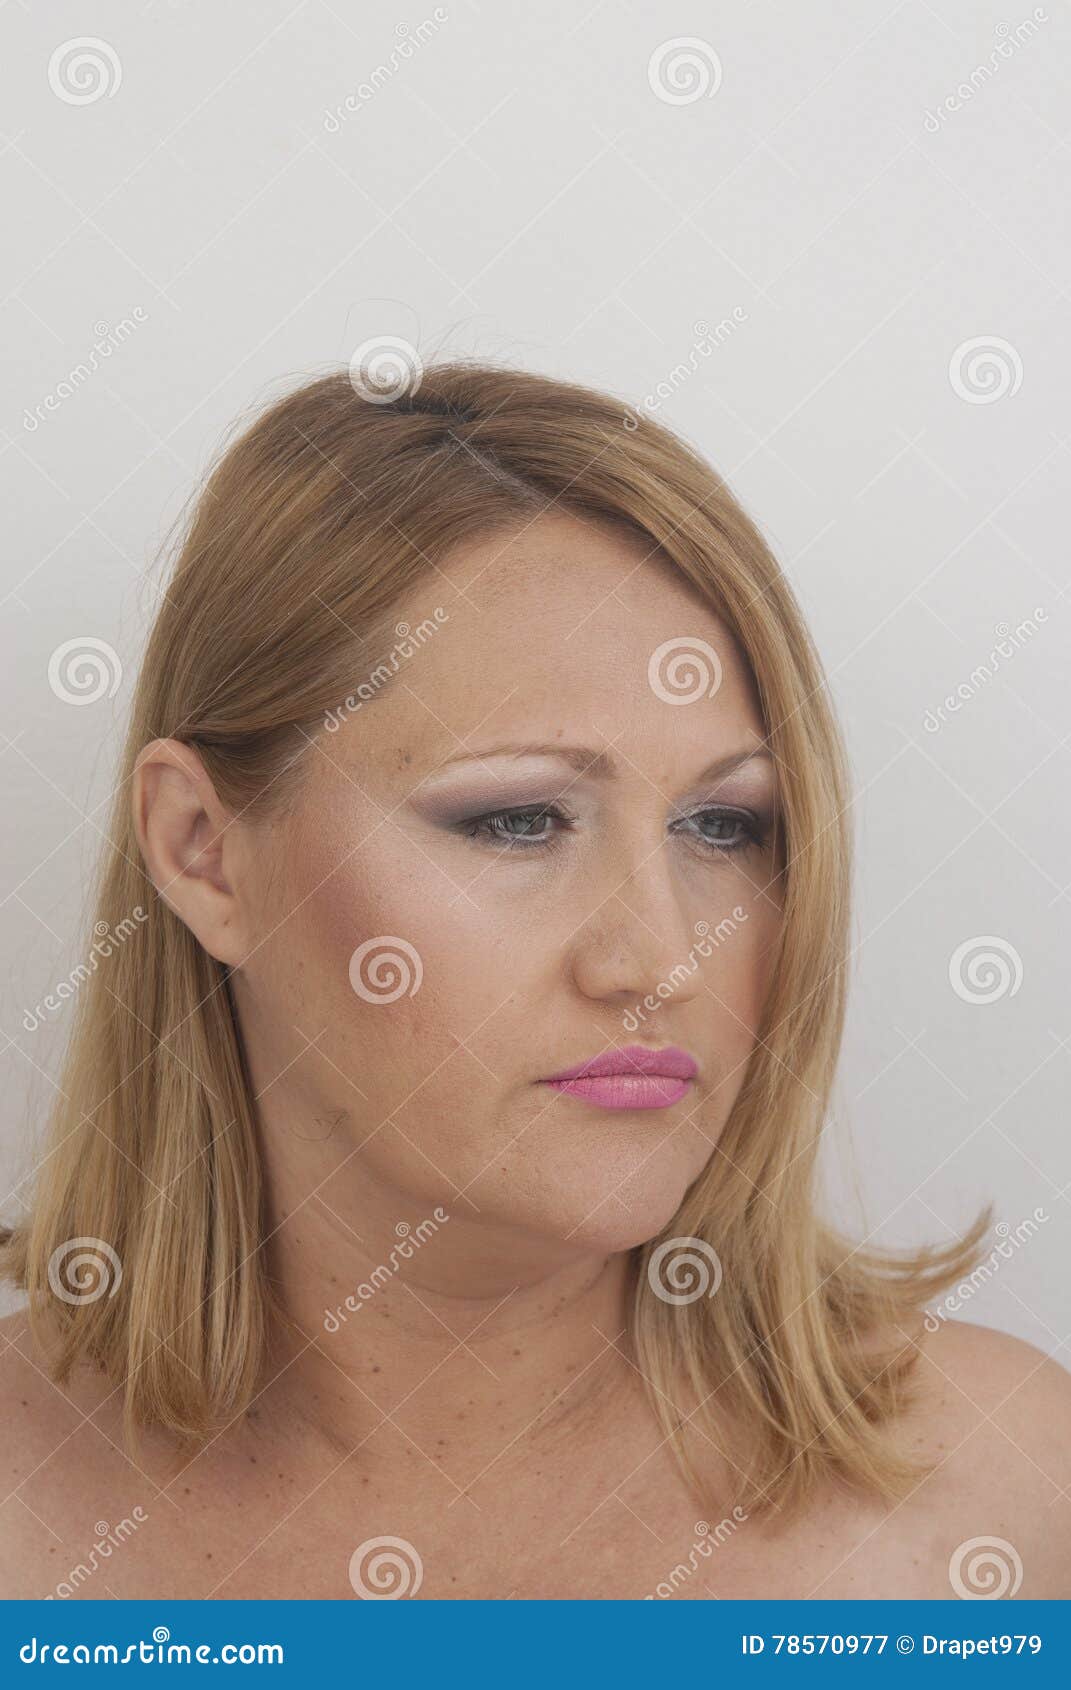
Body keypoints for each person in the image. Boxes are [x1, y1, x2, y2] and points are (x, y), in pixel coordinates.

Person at [1, 363, 1068, 1600]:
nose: (659, 959)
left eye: (722, 826)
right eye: (515, 819)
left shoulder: (993, 1507)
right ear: (202, 851)